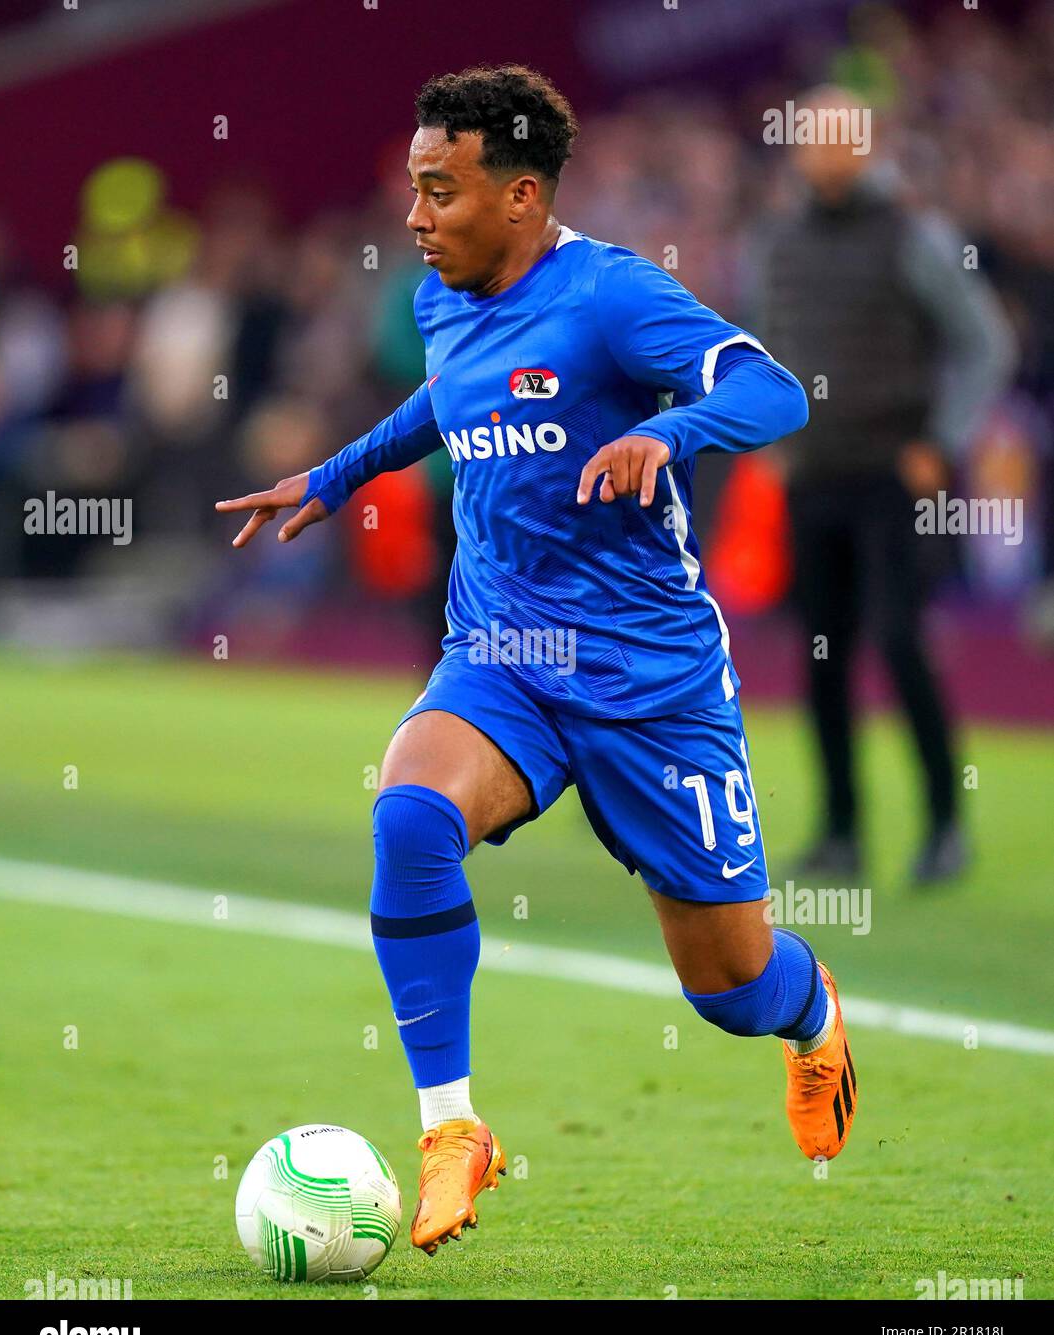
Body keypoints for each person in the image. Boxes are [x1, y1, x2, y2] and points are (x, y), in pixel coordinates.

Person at [216, 65, 857, 1257]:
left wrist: (668, 430)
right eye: (415, 188)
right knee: (410, 816)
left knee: (730, 988)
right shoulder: (442, 296)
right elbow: (449, 400)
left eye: (440, 190)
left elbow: (772, 391)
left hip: (651, 685)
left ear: (519, 196)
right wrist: (340, 473)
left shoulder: (614, 295)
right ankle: (452, 1129)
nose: (416, 216)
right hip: (502, 654)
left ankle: (811, 1012)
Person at [749, 87, 1018, 884]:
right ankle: (840, 832)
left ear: (864, 147)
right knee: (820, 656)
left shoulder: (913, 234)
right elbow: (761, 344)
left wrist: (941, 439)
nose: (822, 152)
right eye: (811, 138)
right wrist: (769, 435)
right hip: (813, 474)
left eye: (837, 138)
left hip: (891, 477)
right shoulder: (776, 241)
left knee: (900, 641)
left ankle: (943, 826)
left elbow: (985, 342)